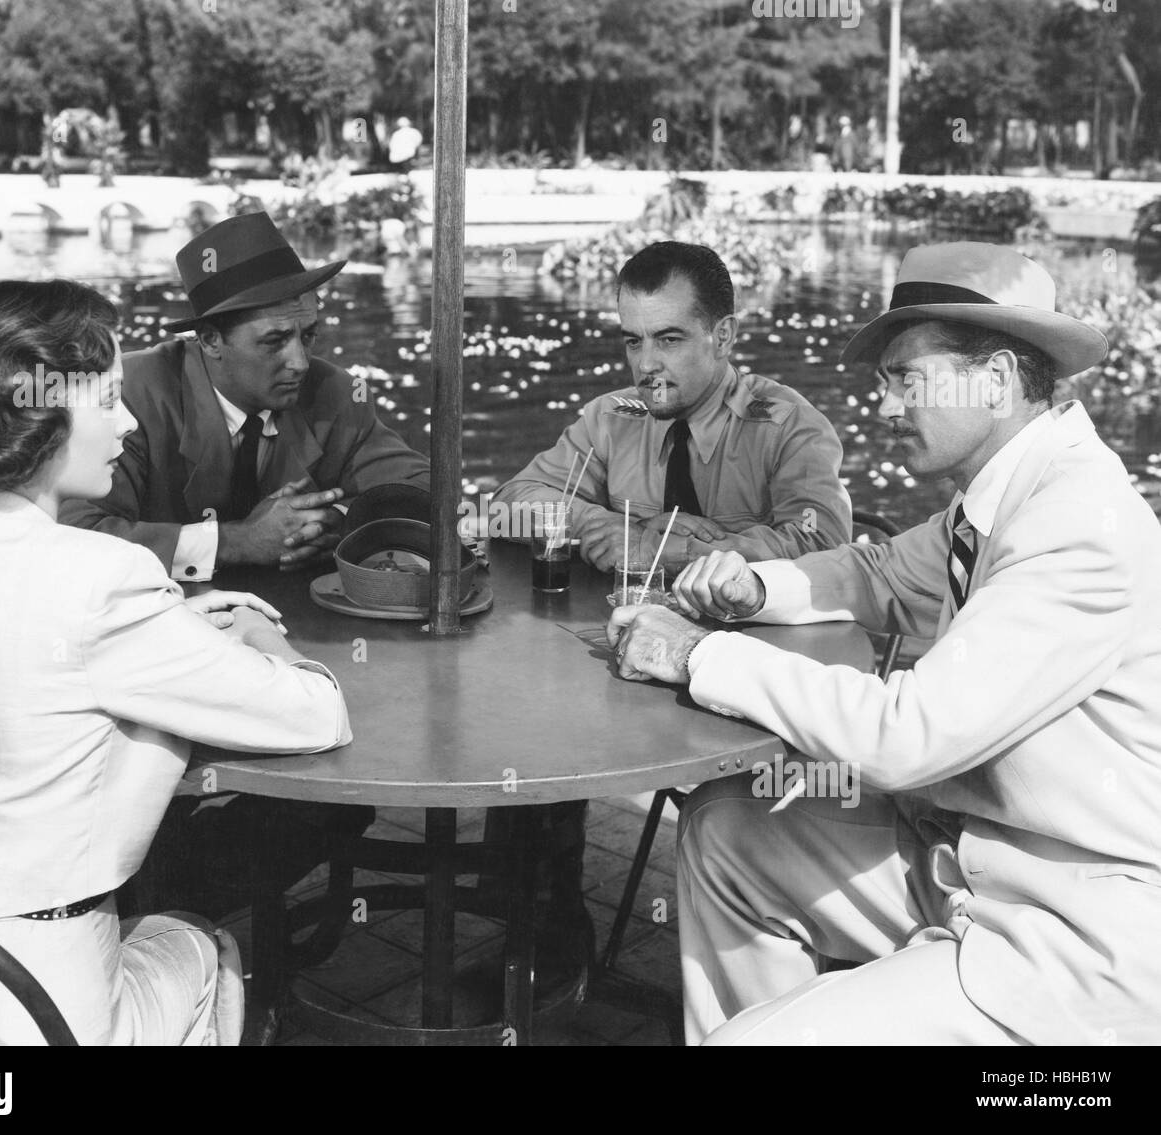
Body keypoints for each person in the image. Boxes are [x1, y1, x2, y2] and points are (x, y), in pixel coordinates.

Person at [607, 242, 1161, 1045]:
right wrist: (757, 588)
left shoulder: (1080, 529)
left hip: (1069, 941)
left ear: (996, 379)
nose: (887, 408)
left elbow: (908, 738)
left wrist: (697, 655)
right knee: (728, 828)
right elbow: (877, 574)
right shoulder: (1008, 490)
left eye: (908, 380)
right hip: (967, 863)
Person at [0, 280, 352, 1044]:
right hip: (44, 997)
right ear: (42, 410)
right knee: (202, 944)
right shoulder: (103, 576)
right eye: (109, 397)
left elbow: (9, 644)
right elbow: (316, 715)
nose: (126, 421)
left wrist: (174, 623)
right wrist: (261, 636)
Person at [61, 211, 426, 916]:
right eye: (275, 340)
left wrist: (332, 524)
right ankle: (163, 907)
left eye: (309, 334)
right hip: (152, 662)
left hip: (285, 652)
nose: (299, 359)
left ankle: (196, 901)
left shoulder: (330, 391)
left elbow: (416, 490)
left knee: (341, 793)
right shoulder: (131, 397)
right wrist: (235, 541)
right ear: (210, 344)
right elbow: (78, 537)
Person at [493, 241, 851, 573]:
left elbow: (824, 545)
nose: (646, 365)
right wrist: (606, 525)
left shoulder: (788, 428)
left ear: (723, 337)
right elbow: (508, 506)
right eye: (634, 341)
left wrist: (662, 550)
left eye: (669, 340)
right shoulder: (610, 418)